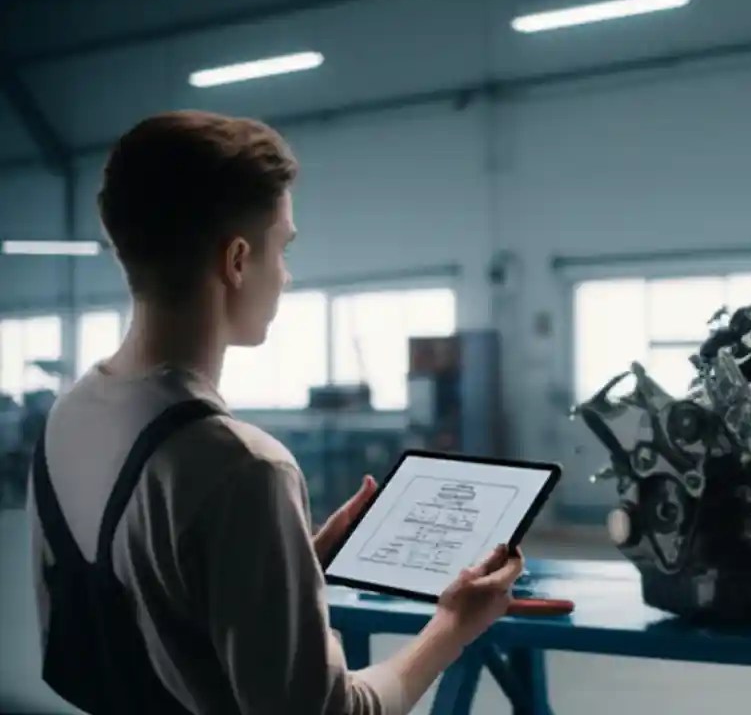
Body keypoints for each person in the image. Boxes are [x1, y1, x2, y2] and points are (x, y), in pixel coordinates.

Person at [29, 110, 523, 714]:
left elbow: (148, 611)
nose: (286, 276)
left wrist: (299, 562)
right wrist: (454, 624)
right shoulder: (240, 466)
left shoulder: (68, 418)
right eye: (282, 247)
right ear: (237, 261)